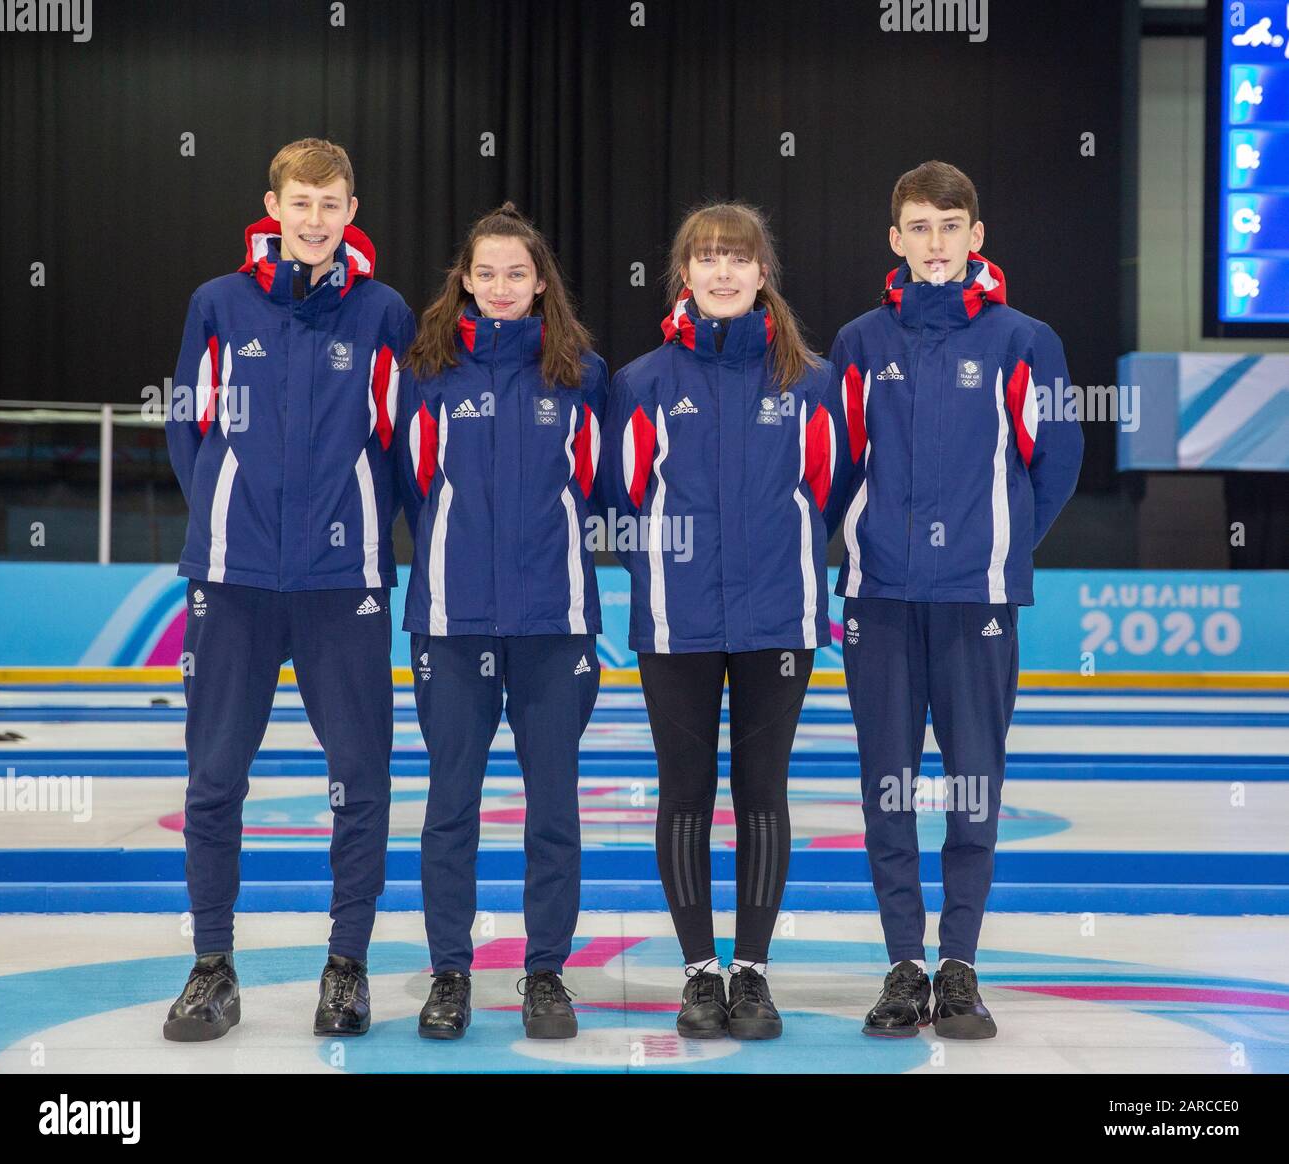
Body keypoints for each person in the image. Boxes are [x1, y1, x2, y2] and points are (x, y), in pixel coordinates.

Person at [162, 138, 415, 1041]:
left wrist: (361, 542)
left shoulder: (383, 312)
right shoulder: (219, 305)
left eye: (332, 203)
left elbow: (401, 447)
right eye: (300, 203)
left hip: (341, 587)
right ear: (272, 205)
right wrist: (230, 525)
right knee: (215, 777)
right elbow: (187, 426)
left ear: (353, 210)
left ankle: (346, 967)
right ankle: (211, 966)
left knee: (361, 777)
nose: (315, 220)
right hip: (230, 584)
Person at [828, 160, 1083, 1040]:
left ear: (977, 237)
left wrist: (997, 552)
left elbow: (1057, 464)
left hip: (977, 602)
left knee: (973, 786)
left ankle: (962, 966)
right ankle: (904, 966)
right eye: (918, 228)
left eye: (950, 227)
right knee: (888, 787)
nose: (935, 244)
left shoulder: (1025, 342)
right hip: (882, 601)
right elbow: (836, 468)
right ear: (894, 240)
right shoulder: (860, 343)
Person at [599, 201, 847, 1040]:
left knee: (762, 793)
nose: (723, 272)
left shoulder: (811, 382)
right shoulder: (640, 383)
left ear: (762, 273)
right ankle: (700, 973)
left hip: (780, 617)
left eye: (737, 259)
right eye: (706, 258)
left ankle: (754, 973)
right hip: (676, 621)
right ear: (685, 275)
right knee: (686, 795)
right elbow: (620, 497)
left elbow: (832, 491)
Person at [397, 203, 608, 1040]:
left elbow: (597, 485)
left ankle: (545, 975)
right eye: (485, 273)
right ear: (464, 280)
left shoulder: (582, 375)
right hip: (450, 623)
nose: (500, 287)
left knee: (553, 805)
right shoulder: (427, 371)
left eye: (516, 273)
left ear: (540, 281)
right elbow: (413, 484)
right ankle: (450, 972)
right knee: (451, 803)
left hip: (554, 625)